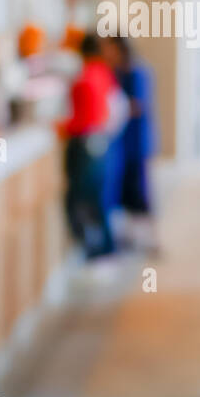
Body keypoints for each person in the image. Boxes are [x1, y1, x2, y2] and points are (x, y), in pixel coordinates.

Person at [59, 32, 119, 259]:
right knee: (97, 198)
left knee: (81, 198)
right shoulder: (104, 73)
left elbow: (83, 120)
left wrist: (61, 127)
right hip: (102, 143)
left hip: (86, 144)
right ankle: (104, 248)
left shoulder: (84, 78)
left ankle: (95, 250)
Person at [100, 35, 157, 250]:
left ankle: (150, 237)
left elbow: (138, 104)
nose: (107, 54)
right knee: (123, 190)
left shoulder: (136, 72)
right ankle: (130, 236)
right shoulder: (115, 72)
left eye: (110, 49)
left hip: (136, 141)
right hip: (121, 142)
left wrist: (112, 110)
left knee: (139, 190)